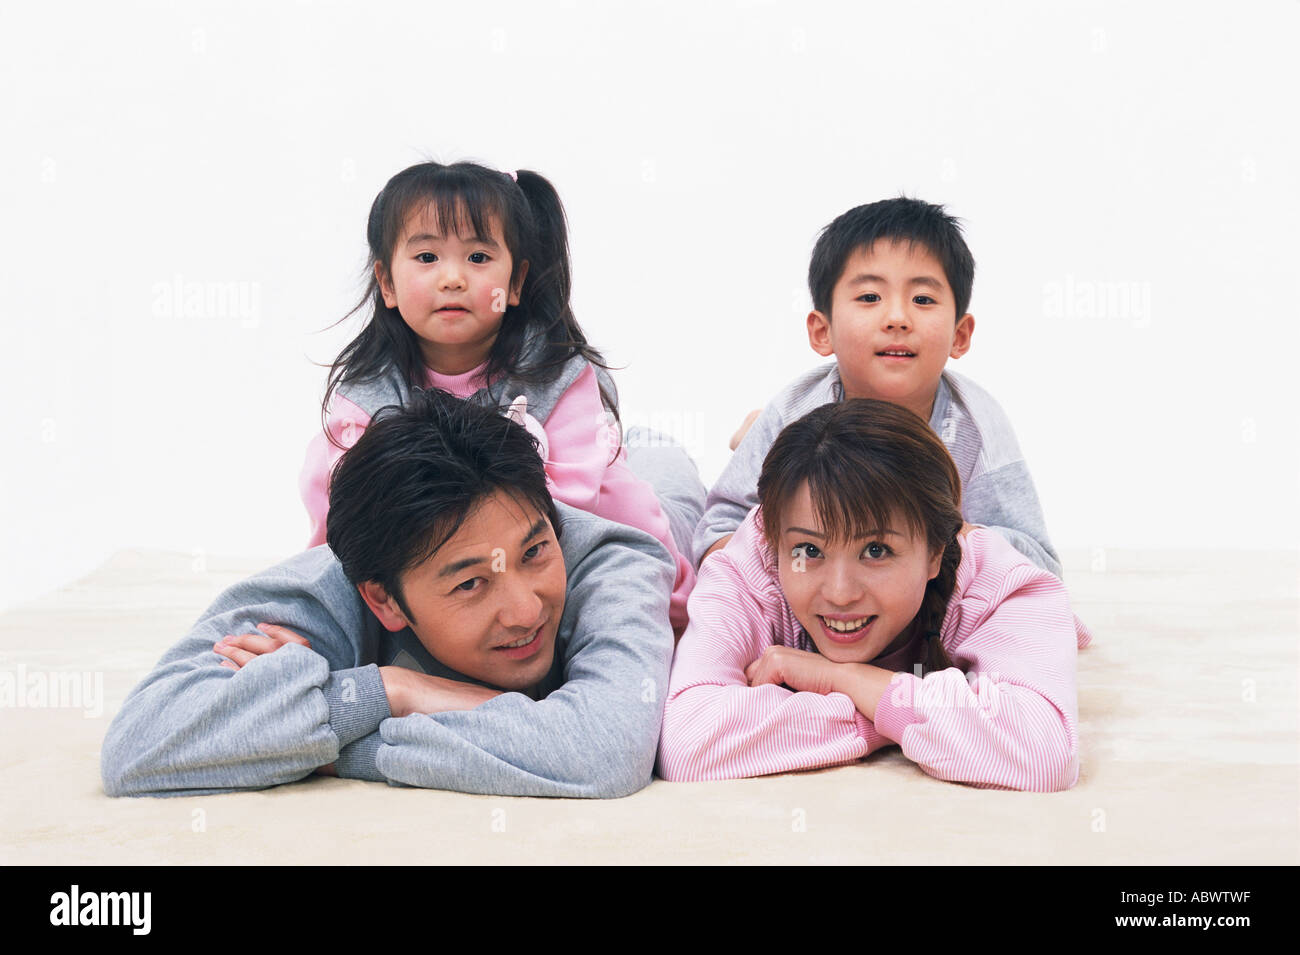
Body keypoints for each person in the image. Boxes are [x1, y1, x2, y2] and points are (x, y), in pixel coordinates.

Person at [102, 389, 678, 798]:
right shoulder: (331, 585)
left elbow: (605, 750)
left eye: (535, 553)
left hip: (664, 496)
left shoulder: (613, 561)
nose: (527, 610)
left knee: (667, 468)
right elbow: (137, 747)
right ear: (384, 600)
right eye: (471, 583)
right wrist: (390, 687)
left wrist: (324, 741)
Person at [300, 160, 697, 629]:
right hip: (452, 565)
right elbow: (341, 517)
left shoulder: (554, 373)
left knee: (644, 502)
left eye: (478, 258)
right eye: (427, 258)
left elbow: (568, 503)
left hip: (568, 533)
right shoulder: (365, 397)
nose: (453, 278)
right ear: (387, 283)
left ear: (514, 284)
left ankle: (681, 599)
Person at [658, 400, 1090, 792]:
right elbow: (689, 741)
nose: (840, 594)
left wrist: (842, 679)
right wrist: (893, 717)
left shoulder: (1002, 583)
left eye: (876, 551)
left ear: (935, 553)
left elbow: (1043, 752)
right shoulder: (751, 562)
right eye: (809, 551)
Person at [694, 196, 1062, 577]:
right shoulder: (794, 414)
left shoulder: (975, 428)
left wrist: (941, 539)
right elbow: (716, 536)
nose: (898, 318)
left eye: (923, 299)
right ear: (823, 332)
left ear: (960, 335)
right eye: (870, 297)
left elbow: (1039, 567)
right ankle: (753, 439)